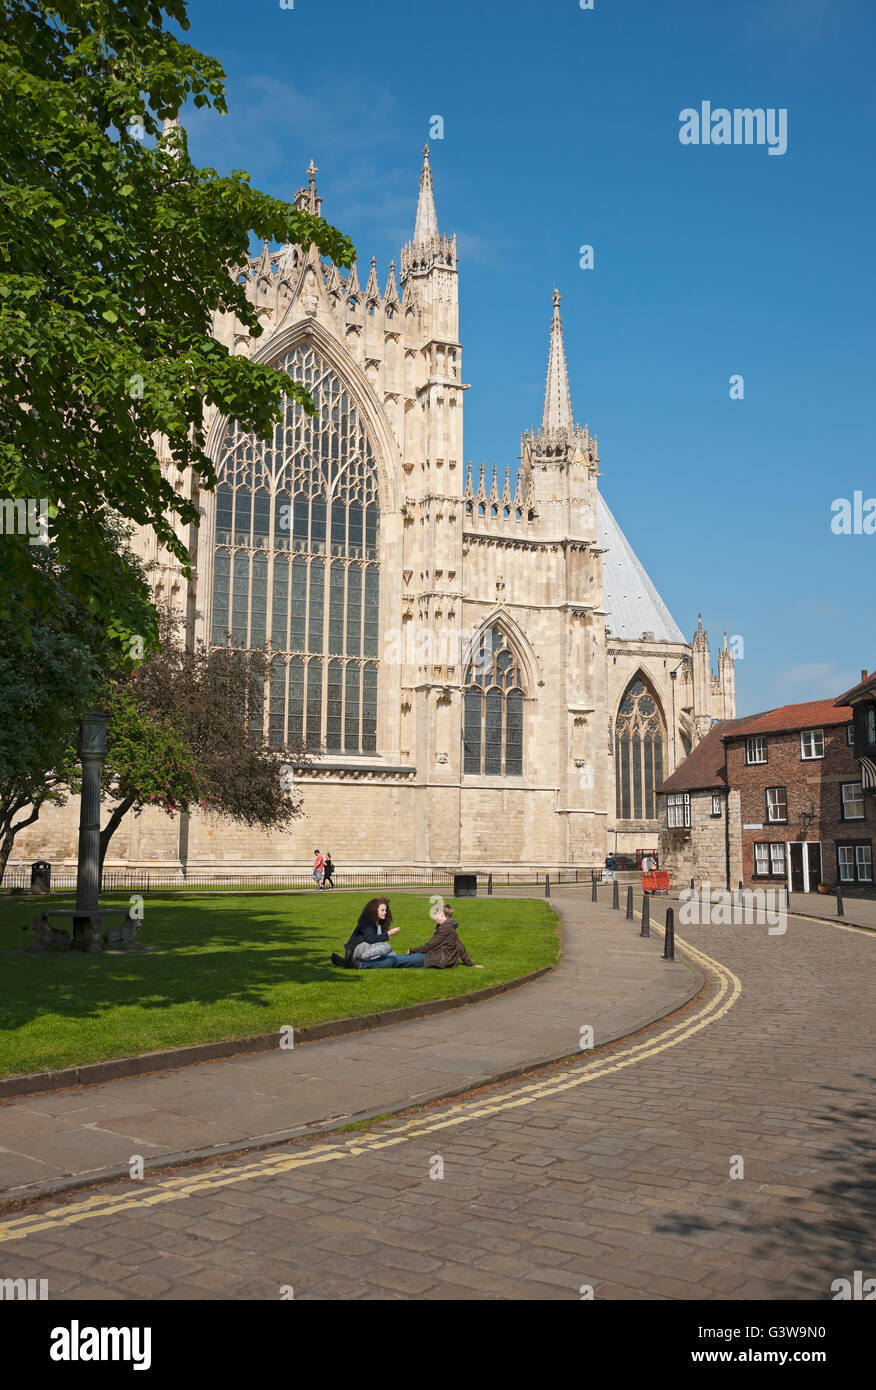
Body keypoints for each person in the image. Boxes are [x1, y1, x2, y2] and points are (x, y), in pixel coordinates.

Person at [331, 898, 425, 969]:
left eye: (385, 910)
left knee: (393, 955)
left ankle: (346, 962)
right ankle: (356, 961)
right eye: (382, 910)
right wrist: (388, 934)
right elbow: (370, 939)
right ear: (374, 910)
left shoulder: (379, 923)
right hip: (357, 949)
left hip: (366, 949)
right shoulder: (368, 920)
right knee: (387, 947)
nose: (385, 912)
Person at [407, 901, 484, 970]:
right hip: (443, 960)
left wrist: (412, 951)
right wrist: (470, 964)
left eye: (435, 914)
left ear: (441, 915)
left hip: (440, 961)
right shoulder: (448, 926)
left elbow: (429, 946)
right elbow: (460, 946)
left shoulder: (446, 929)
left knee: (403, 960)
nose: (433, 917)